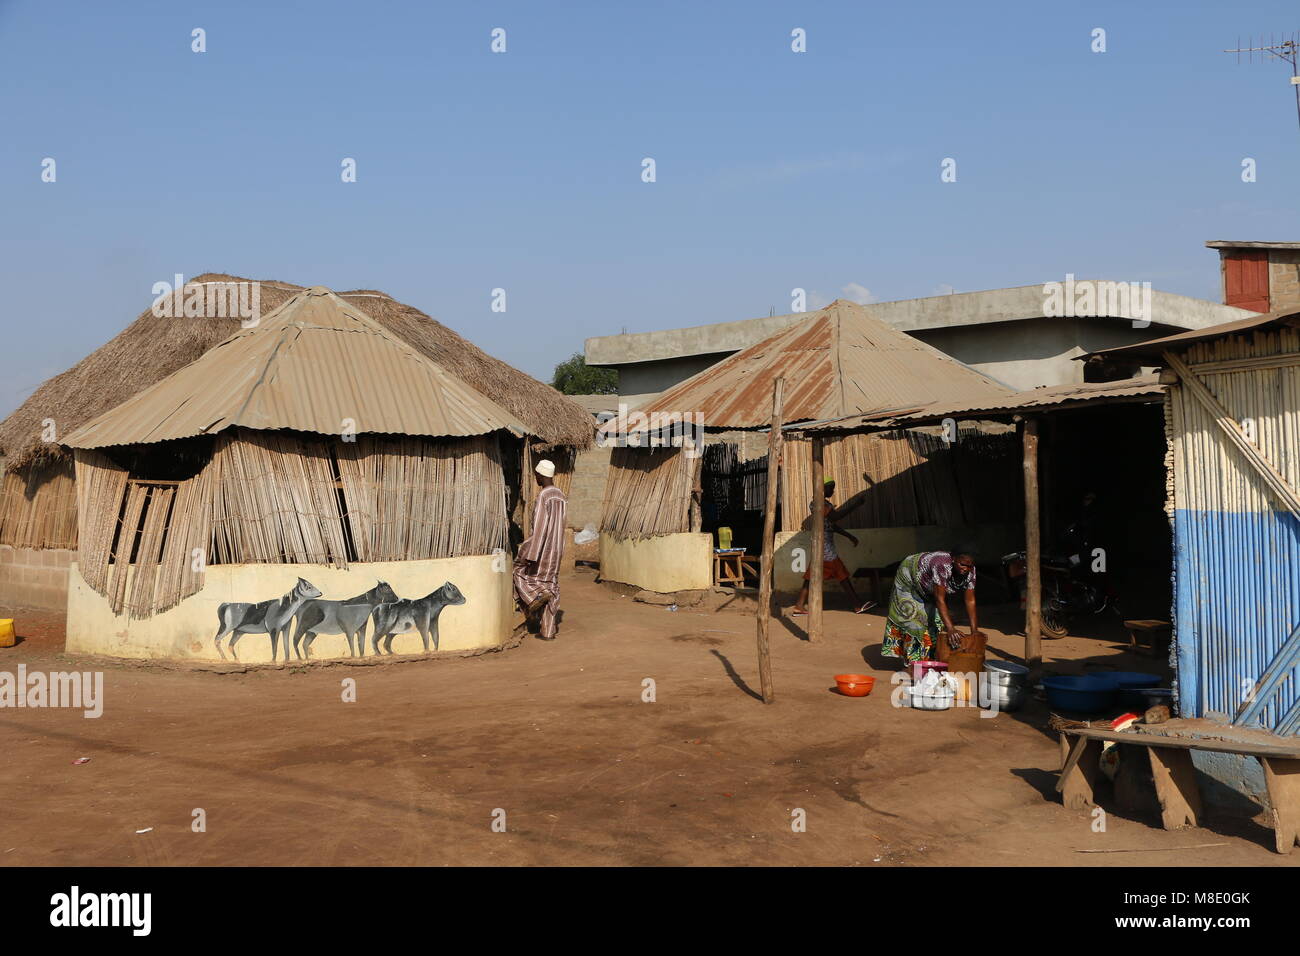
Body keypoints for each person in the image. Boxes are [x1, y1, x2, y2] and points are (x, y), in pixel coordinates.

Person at [881, 549, 984, 664]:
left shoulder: (970, 571)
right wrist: (951, 629)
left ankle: (930, 659)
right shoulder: (942, 565)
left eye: (969, 566)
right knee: (914, 620)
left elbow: (970, 600)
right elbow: (940, 599)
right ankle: (913, 663)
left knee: (936, 621)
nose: (966, 568)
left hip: (928, 585)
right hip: (910, 575)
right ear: (953, 559)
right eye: (962, 564)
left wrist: (974, 630)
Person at [791, 477, 875, 616]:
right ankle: (857, 605)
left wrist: (848, 536)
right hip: (824, 543)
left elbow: (831, 525)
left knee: (812, 574)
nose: (833, 490)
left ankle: (799, 606)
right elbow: (835, 518)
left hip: (823, 542)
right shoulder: (818, 503)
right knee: (839, 571)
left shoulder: (823, 504)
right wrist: (855, 505)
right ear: (823, 488)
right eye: (831, 487)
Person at [513, 459, 567, 640]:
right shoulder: (560, 495)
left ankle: (534, 598)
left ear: (541, 475)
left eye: (536, 475)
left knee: (519, 574)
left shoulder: (544, 495)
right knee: (550, 586)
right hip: (556, 551)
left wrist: (532, 553)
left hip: (542, 550)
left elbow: (540, 527)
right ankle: (548, 631)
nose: (535, 478)